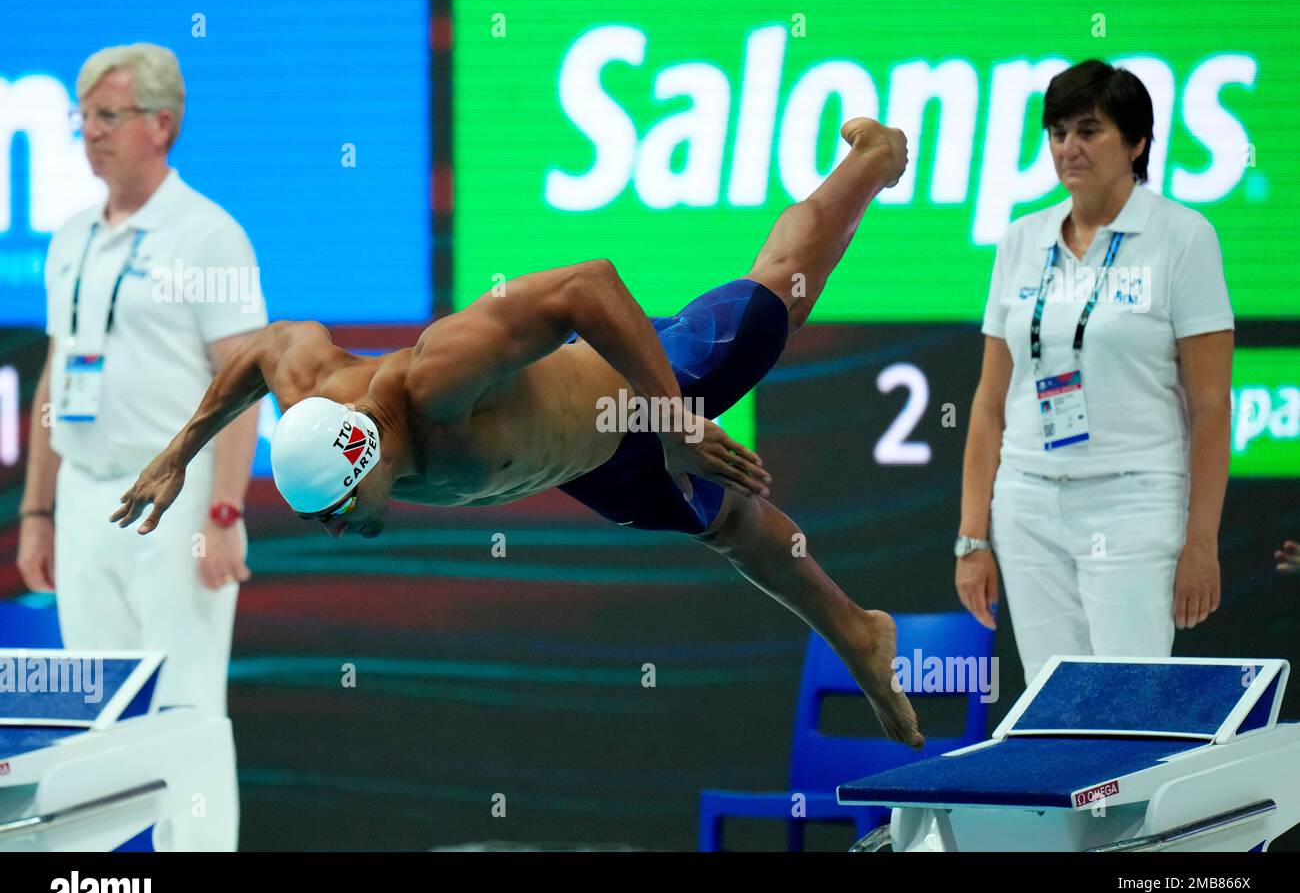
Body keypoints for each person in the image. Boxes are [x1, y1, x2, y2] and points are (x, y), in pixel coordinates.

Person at [112, 117, 924, 749]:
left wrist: (673, 420)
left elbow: (588, 285)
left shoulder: (434, 379)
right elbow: (262, 350)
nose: (337, 529)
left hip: (645, 393)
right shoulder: (312, 396)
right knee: (730, 526)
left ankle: (875, 157)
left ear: (364, 457)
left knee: (781, 286)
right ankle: (860, 631)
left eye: (338, 509)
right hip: (586, 467)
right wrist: (178, 452)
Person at [15, 43, 268, 848]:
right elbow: (58, 376)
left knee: (186, 712)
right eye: (83, 116)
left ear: (163, 125)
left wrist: (225, 511)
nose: (90, 132)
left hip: (177, 500)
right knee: (94, 718)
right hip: (86, 498)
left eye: (108, 116)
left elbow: (244, 382)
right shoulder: (70, 238)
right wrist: (37, 511)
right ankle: (100, 886)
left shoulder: (208, 235)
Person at [955, 60, 1234, 684]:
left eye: (1089, 130)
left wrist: (1202, 541)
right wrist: (973, 538)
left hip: (1134, 500)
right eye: (1058, 133)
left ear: (1137, 144)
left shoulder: (1182, 238)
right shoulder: (1021, 240)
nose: (1068, 148)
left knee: (1126, 707)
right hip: (1027, 500)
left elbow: (1211, 407)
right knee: (1056, 710)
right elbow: (989, 404)